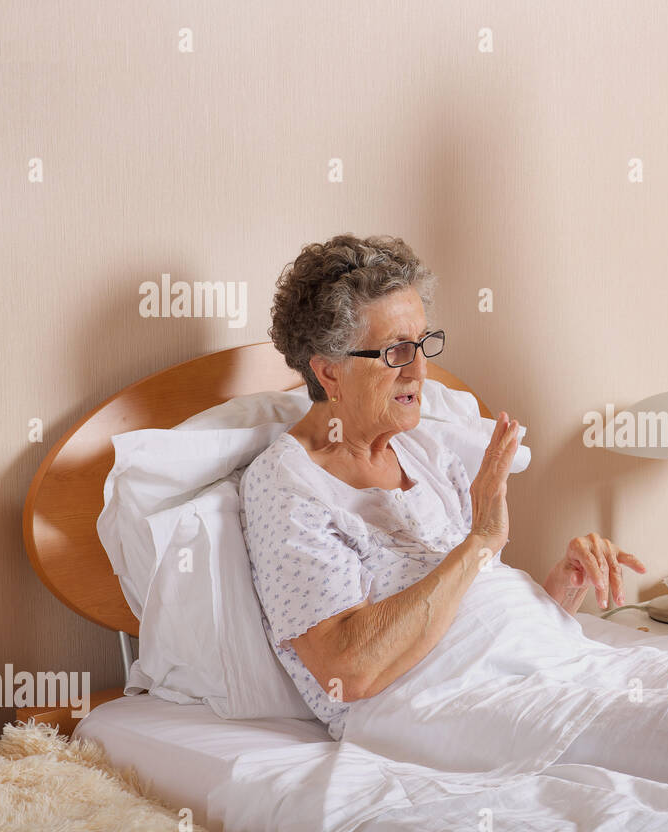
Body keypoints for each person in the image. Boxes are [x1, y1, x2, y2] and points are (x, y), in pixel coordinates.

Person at [239, 233, 645, 739]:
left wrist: (560, 590)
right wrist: (478, 544)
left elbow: (477, 620)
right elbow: (348, 670)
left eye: (424, 344)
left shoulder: (425, 451)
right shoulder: (288, 486)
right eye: (395, 352)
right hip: (455, 713)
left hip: (548, 674)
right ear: (329, 371)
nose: (420, 370)